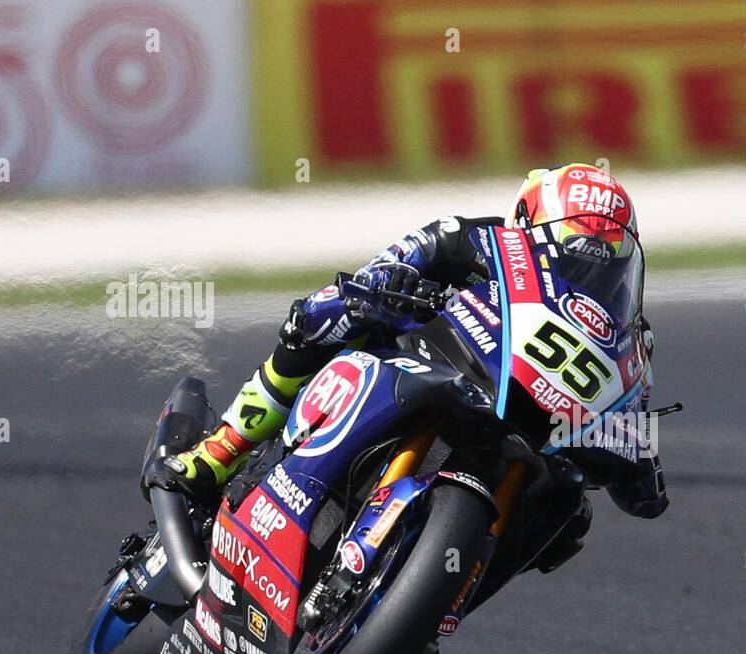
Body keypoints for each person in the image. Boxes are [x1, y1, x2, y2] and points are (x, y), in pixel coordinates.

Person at [150, 162, 668, 538]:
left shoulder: (629, 339)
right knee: (324, 317)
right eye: (575, 252)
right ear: (528, 225)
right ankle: (223, 449)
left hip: (520, 412)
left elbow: (633, 426)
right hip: (427, 352)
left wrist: (638, 463)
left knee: (570, 513)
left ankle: (431, 595)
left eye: (603, 259)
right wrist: (383, 289)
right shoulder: (472, 238)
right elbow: (387, 266)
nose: (586, 270)